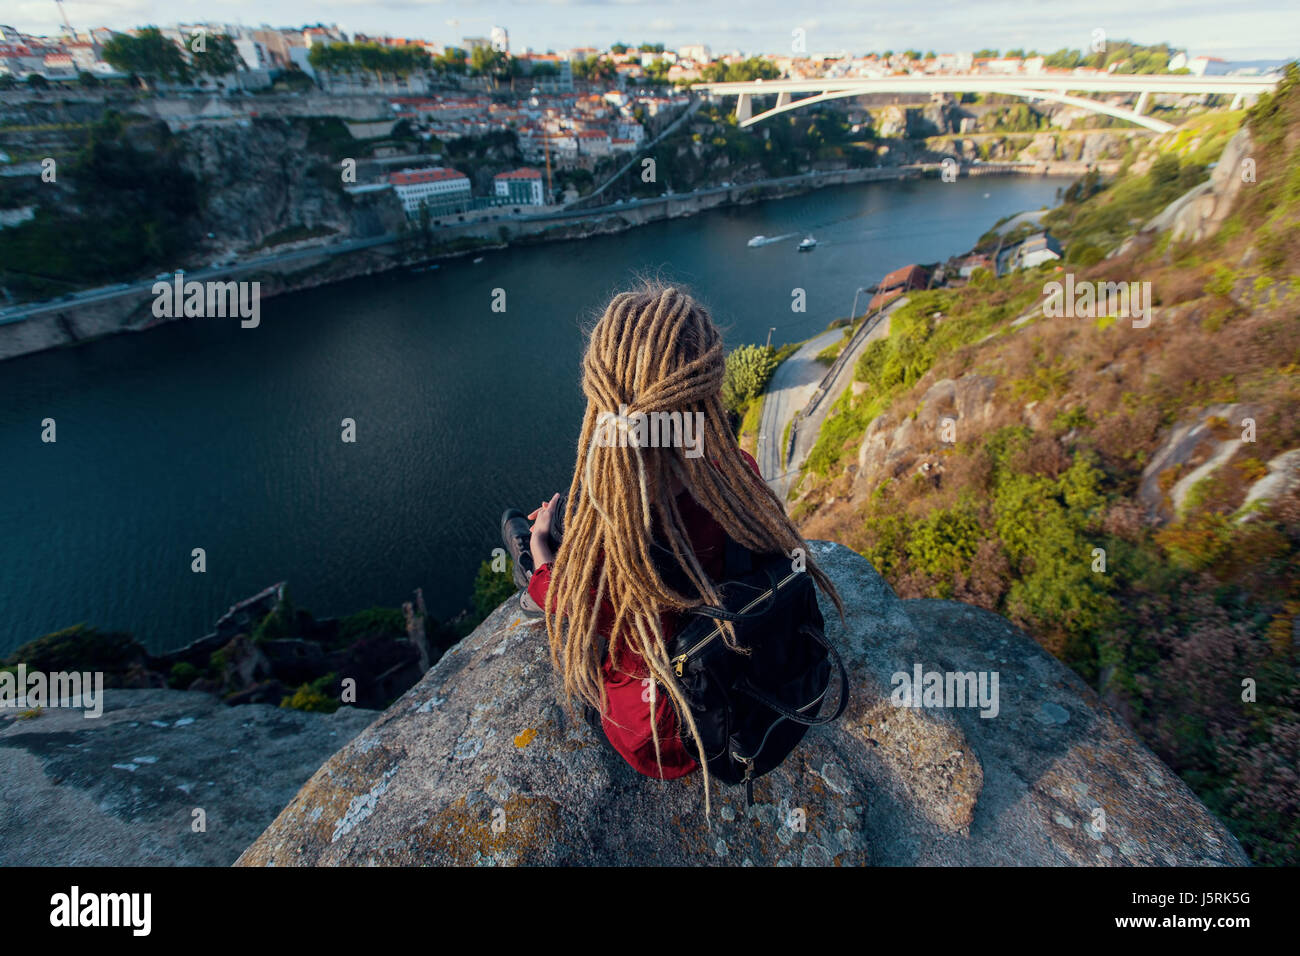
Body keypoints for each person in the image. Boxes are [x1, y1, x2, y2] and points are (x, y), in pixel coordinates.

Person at [499, 281, 842, 813]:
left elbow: (567, 604)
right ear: (706, 392)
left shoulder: (605, 534)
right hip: (762, 681)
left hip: (668, 743)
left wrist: (543, 554)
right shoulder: (738, 480)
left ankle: (527, 553)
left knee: (545, 551)